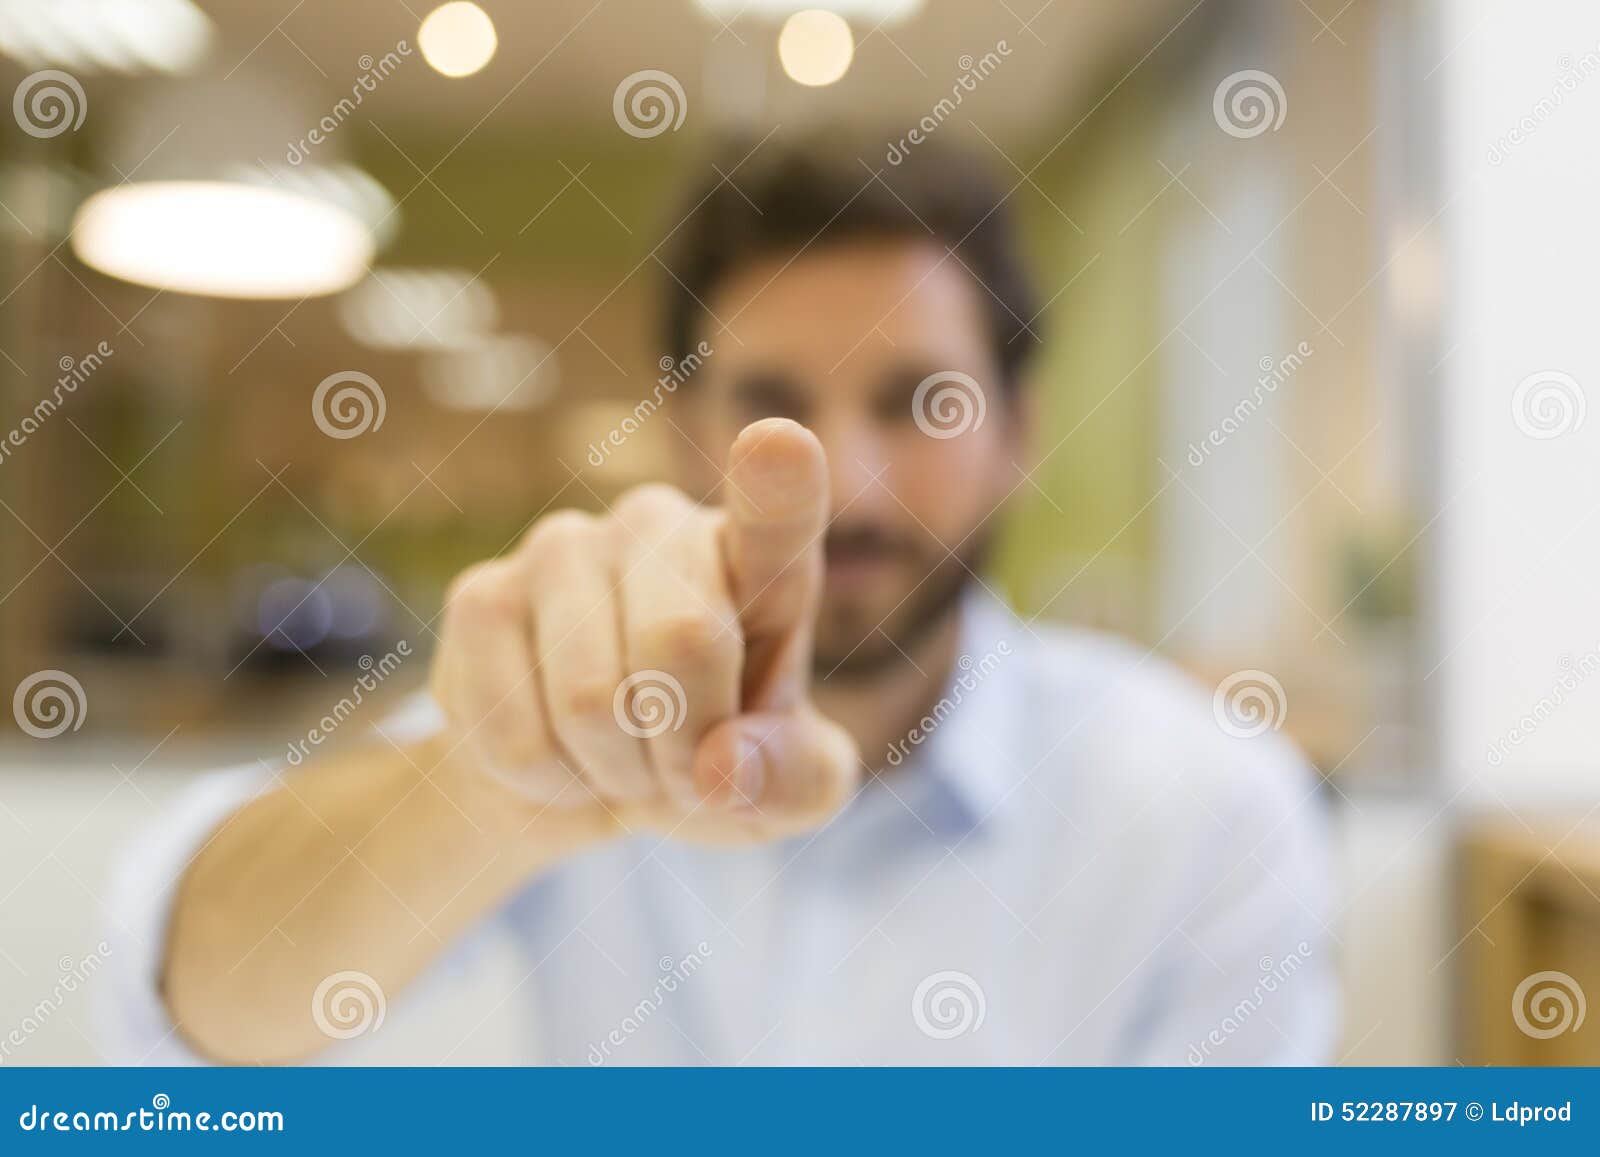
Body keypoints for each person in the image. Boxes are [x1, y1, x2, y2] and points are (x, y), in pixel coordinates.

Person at [101, 133, 1336, 1066]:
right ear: (688, 436)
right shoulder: (573, 718)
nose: (842, 482)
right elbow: (180, 1008)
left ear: (1017, 434)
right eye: (768, 400)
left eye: (918, 401)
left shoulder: (1209, 811)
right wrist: (492, 790)